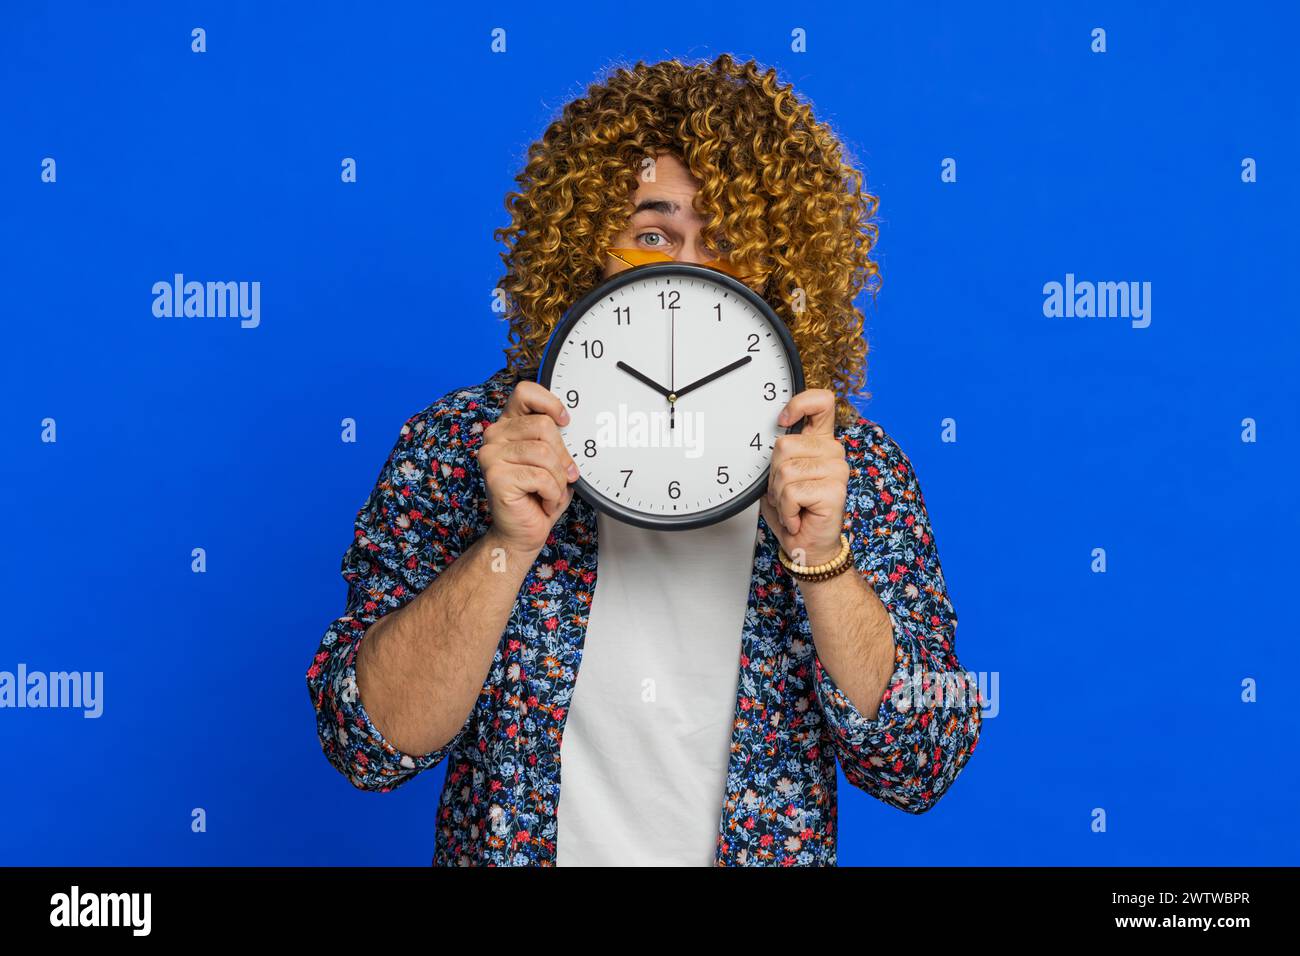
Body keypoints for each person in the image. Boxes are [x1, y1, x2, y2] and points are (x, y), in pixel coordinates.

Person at [306, 53, 982, 866]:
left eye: (726, 242)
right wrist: (505, 546)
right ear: (586, 247)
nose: (689, 271)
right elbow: (368, 745)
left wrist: (822, 560)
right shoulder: (467, 447)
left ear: (779, 269)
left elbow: (923, 762)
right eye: (653, 234)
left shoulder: (848, 469)